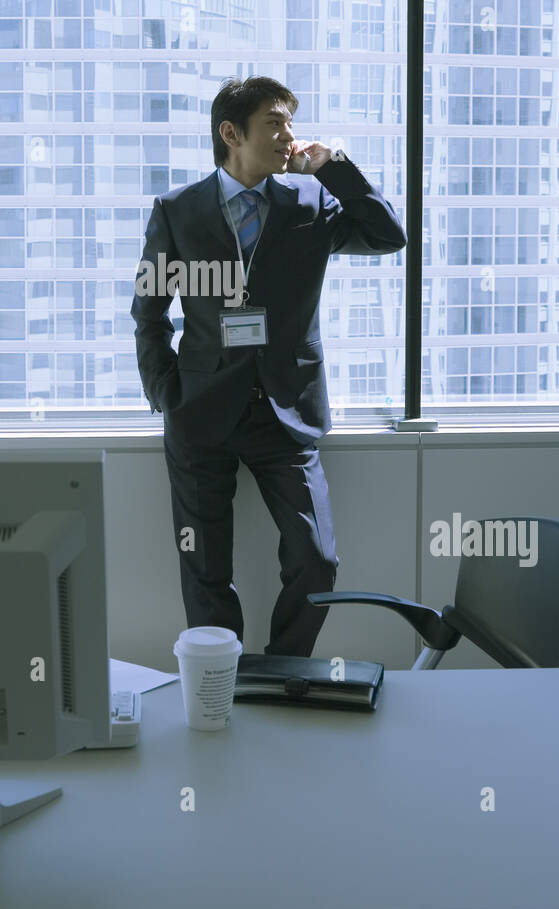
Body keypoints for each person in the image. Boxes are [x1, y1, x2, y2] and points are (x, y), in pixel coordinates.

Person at [131, 76, 406, 657]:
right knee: (205, 571)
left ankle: (285, 675)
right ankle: (220, 689)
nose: (288, 136)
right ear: (231, 133)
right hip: (200, 416)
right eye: (274, 123)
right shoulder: (178, 211)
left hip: (286, 412)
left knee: (317, 559)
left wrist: (334, 168)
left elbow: (388, 236)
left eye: (289, 123)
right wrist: (167, 396)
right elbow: (149, 314)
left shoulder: (312, 204)